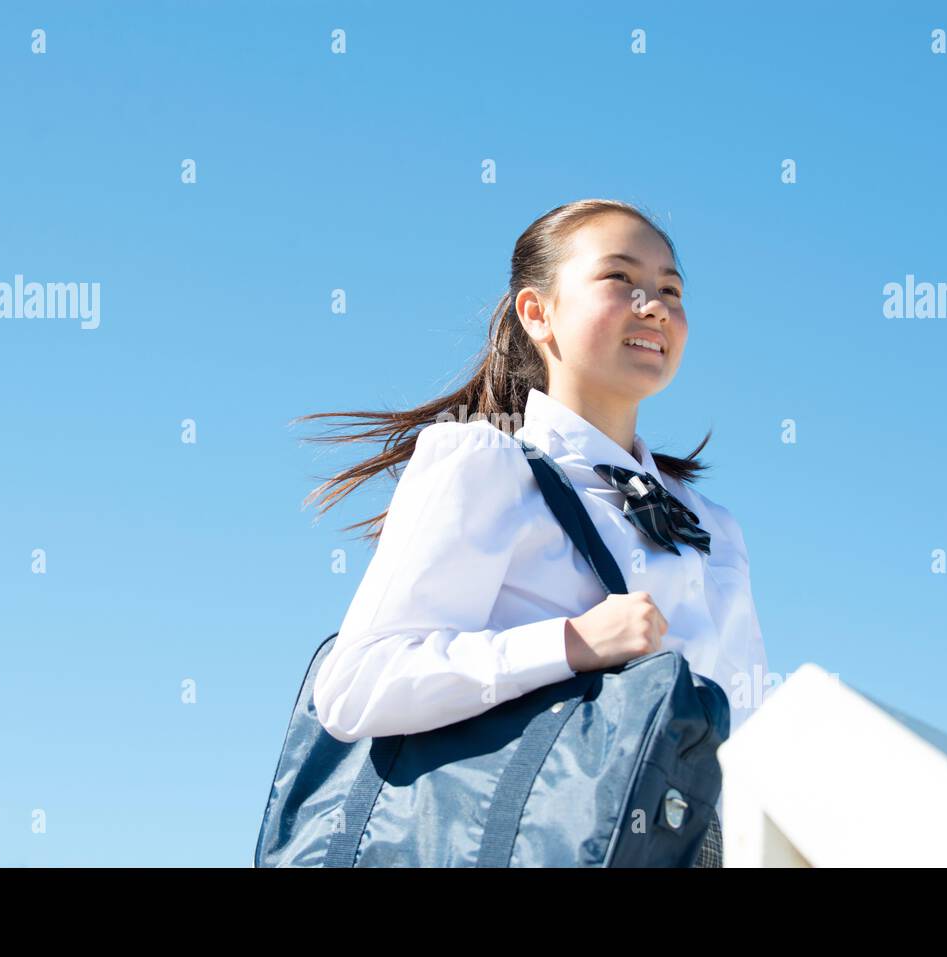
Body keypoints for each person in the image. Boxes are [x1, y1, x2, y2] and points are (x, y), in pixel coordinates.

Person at [292, 198, 770, 866]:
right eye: (619, 279)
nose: (654, 305)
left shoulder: (711, 525)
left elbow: (747, 743)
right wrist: (569, 643)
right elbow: (356, 686)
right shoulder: (483, 464)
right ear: (537, 313)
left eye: (671, 290)